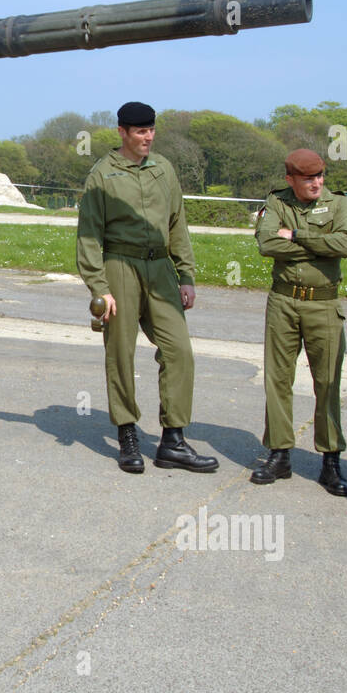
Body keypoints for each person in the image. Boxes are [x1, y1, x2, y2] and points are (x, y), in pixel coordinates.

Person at [76, 101, 217, 474]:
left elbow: (177, 224)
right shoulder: (102, 175)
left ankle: (173, 440)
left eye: (151, 131)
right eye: (140, 132)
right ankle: (127, 435)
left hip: (161, 269)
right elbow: (89, 236)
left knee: (179, 351)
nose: (147, 138)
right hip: (119, 266)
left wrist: (186, 275)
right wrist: (99, 286)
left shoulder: (163, 169)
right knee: (121, 353)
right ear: (122, 132)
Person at [250, 149, 347, 494]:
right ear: (290, 179)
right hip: (283, 300)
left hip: (324, 304)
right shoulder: (277, 202)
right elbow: (266, 244)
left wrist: (294, 236)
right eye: (308, 178)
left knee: (327, 382)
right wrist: (319, 246)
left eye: (320, 176)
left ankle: (331, 460)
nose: (316, 183)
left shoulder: (339, 204)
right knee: (277, 379)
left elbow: (343, 244)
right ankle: (279, 453)